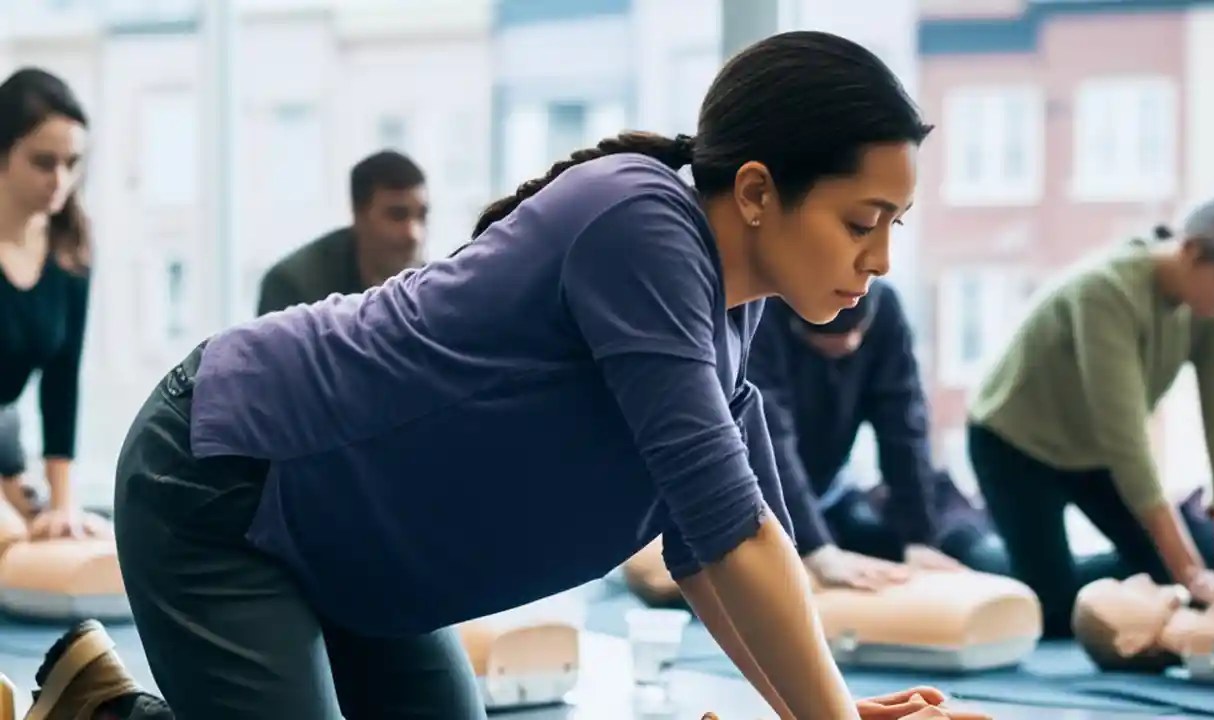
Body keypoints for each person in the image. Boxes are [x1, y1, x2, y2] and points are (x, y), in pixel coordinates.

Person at [70, 32, 981, 720]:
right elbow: (733, 535)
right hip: (230, 477)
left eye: (893, 226)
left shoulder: (732, 324)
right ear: (755, 191)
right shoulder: (640, 222)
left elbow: (715, 552)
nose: (880, 260)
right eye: (862, 221)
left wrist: (820, 709)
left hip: (363, 556)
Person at [967, 193, 1214, 639]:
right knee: (1053, 610)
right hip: (1015, 444)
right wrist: (1195, 576)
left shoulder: (1210, 310)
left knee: (1178, 580)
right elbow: (1128, 445)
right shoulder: (1105, 291)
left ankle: (1073, 572)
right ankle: (967, 545)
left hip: (1092, 452)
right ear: (1191, 251)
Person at [750, 283, 1010, 593]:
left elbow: (903, 425)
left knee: (968, 548)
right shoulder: (759, 316)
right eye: (830, 343)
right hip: (767, 504)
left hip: (836, 493)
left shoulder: (883, 306)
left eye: (857, 333)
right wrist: (815, 548)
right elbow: (769, 440)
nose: (850, 344)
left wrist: (918, 537)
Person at [0, 67, 108, 540]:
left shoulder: (70, 250)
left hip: (4, 442)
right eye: (44, 162)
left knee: (77, 539)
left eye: (72, 163)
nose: (60, 180)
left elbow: (62, 382)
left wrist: (64, 503)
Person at [256, 149, 428, 315]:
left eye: (422, 215)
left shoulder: (428, 286)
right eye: (397, 215)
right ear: (358, 214)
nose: (414, 235)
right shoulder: (293, 285)